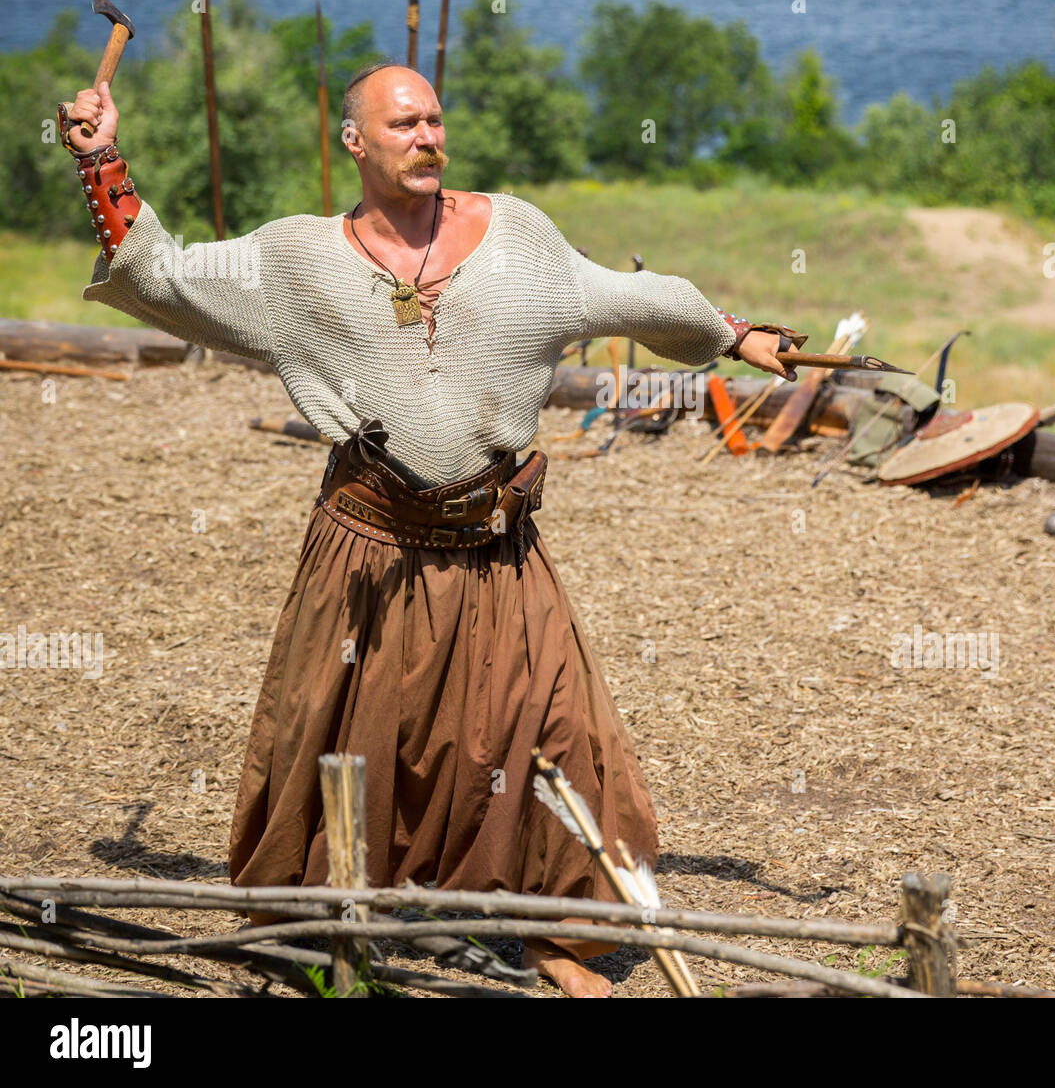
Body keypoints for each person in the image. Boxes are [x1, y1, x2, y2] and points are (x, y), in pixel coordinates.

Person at [57, 63, 805, 997]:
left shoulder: (518, 235)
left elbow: (617, 294)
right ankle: (321, 927)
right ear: (354, 142)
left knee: (559, 734)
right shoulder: (297, 261)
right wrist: (102, 163)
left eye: (435, 121)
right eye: (403, 123)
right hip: (369, 555)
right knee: (352, 755)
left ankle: (558, 935)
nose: (426, 137)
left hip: (500, 552)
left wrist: (733, 332)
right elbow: (163, 277)